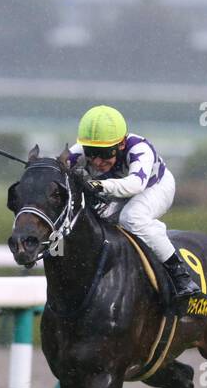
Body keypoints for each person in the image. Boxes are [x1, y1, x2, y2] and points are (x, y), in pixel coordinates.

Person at [67, 105, 199, 300]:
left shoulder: (139, 149)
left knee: (132, 217)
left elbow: (135, 185)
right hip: (118, 191)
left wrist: (97, 185)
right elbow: (57, 170)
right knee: (94, 217)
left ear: (121, 144)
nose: (96, 161)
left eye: (104, 153)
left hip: (154, 187)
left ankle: (180, 275)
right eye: (91, 152)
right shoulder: (78, 152)